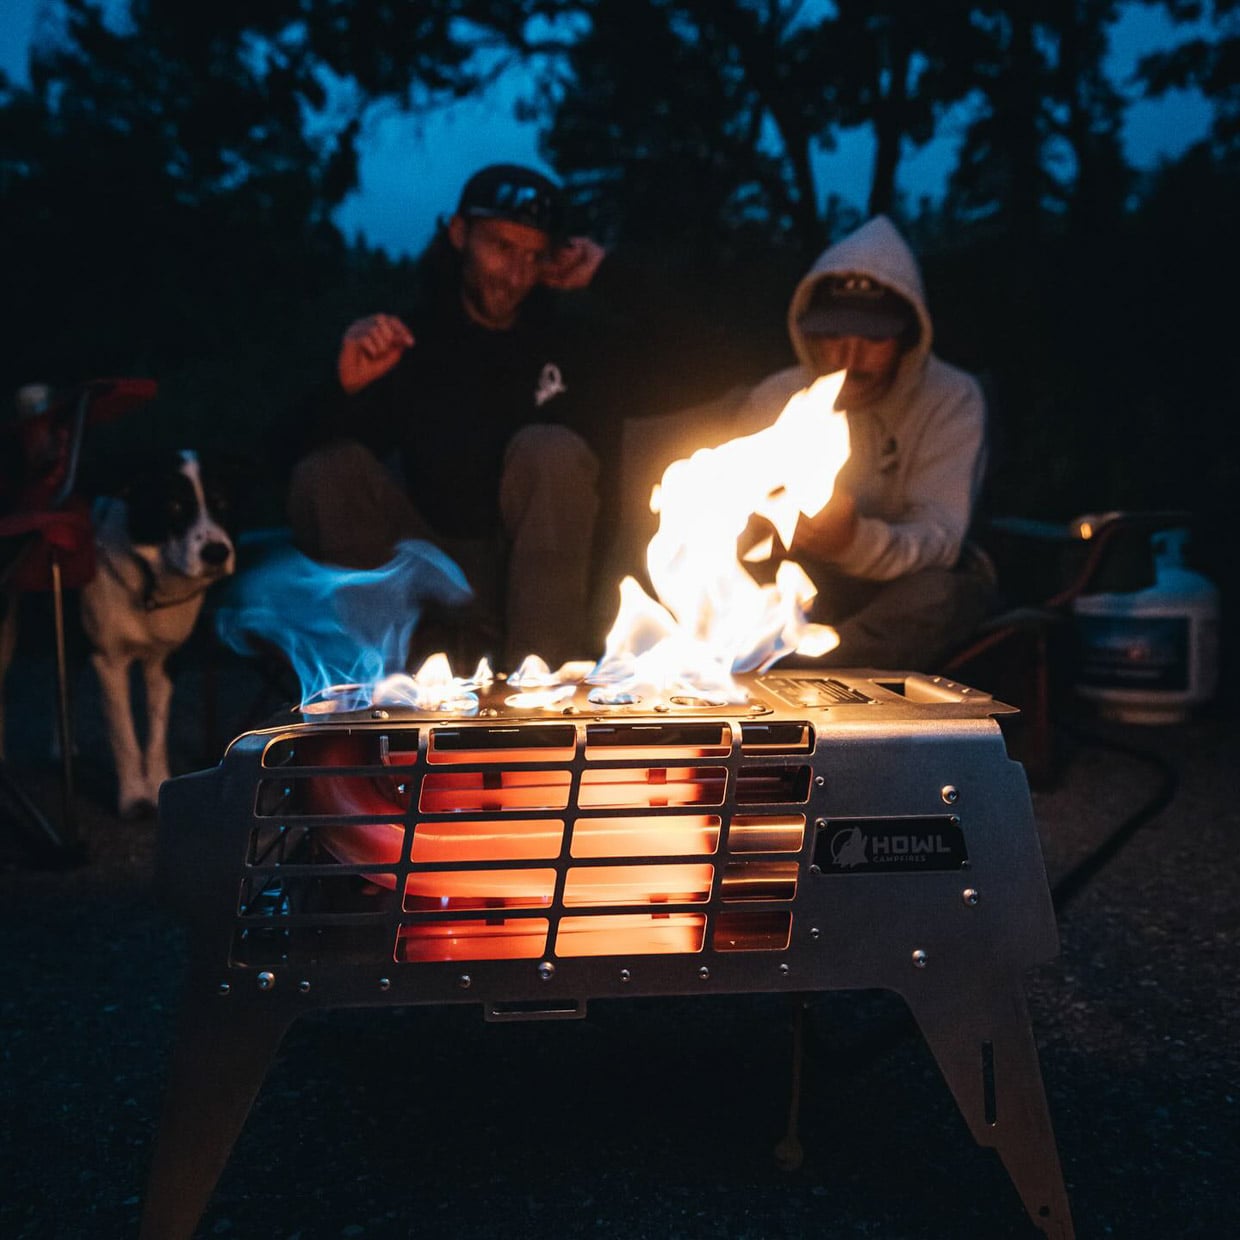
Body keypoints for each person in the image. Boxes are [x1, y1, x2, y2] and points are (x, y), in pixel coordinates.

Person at [285, 163, 614, 669]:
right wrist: (343, 390)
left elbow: (692, 359)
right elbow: (284, 460)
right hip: (423, 562)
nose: (517, 272)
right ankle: (378, 694)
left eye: (534, 256)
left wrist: (609, 275)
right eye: (503, 247)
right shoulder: (409, 339)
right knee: (329, 470)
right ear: (460, 234)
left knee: (550, 449)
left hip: (532, 573)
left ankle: (543, 695)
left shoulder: (571, 343)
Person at [736, 214, 994, 670]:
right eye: (833, 332)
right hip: (804, 584)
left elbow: (941, 538)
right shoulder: (777, 396)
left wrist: (850, 541)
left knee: (943, 594)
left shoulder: (951, 399)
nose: (848, 358)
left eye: (874, 336)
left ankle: (808, 675)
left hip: (901, 589)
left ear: (908, 336)